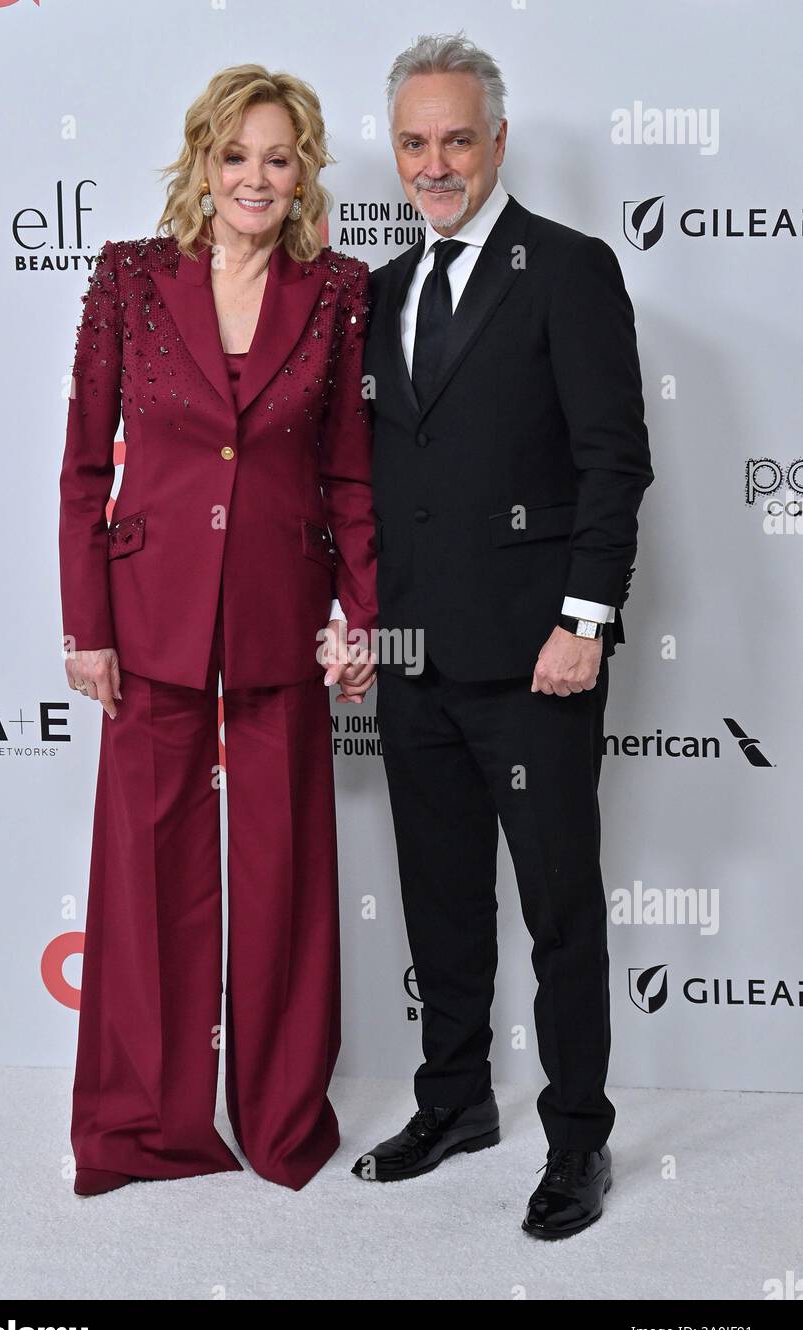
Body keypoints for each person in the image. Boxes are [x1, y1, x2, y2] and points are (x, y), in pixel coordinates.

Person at [351, 33, 653, 1238]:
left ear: (498, 141)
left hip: (537, 657)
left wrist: (584, 619)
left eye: (456, 139)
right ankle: (456, 1102)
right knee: (438, 903)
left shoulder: (566, 270)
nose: (435, 162)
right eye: (415, 141)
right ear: (396, 148)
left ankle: (578, 1139)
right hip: (415, 659)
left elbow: (612, 463)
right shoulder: (377, 292)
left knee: (558, 908)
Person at [59, 64, 377, 1197]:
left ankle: (282, 1116)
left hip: (282, 620)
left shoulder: (339, 291)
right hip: (145, 621)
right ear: (202, 162)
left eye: (277, 157)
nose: (255, 175)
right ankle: (145, 1123)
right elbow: (86, 463)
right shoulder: (130, 280)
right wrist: (84, 626)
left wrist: (364, 624)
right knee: (146, 877)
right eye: (235, 154)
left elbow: (347, 473)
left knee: (286, 874)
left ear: (303, 175)